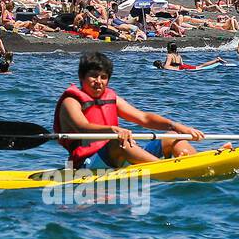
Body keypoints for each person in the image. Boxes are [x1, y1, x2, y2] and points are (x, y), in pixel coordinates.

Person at [55, 51, 207, 170]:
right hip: (87, 164)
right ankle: (170, 168)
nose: (99, 82)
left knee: (172, 136)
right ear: (82, 77)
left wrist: (175, 126)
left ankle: (196, 162)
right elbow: (83, 127)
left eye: (103, 77)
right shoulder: (71, 101)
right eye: (93, 76)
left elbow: (144, 118)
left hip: (118, 156)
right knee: (120, 141)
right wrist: (113, 130)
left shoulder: (111, 97)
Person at [157, 42, 222, 71]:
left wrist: (162, 66)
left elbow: (167, 66)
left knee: (199, 67)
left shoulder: (169, 55)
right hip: (183, 66)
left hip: (181, 68)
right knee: (200, 66)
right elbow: (181, 64)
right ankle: (216, 60)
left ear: (168, 48)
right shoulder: (178, 55)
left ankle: (217, 60)